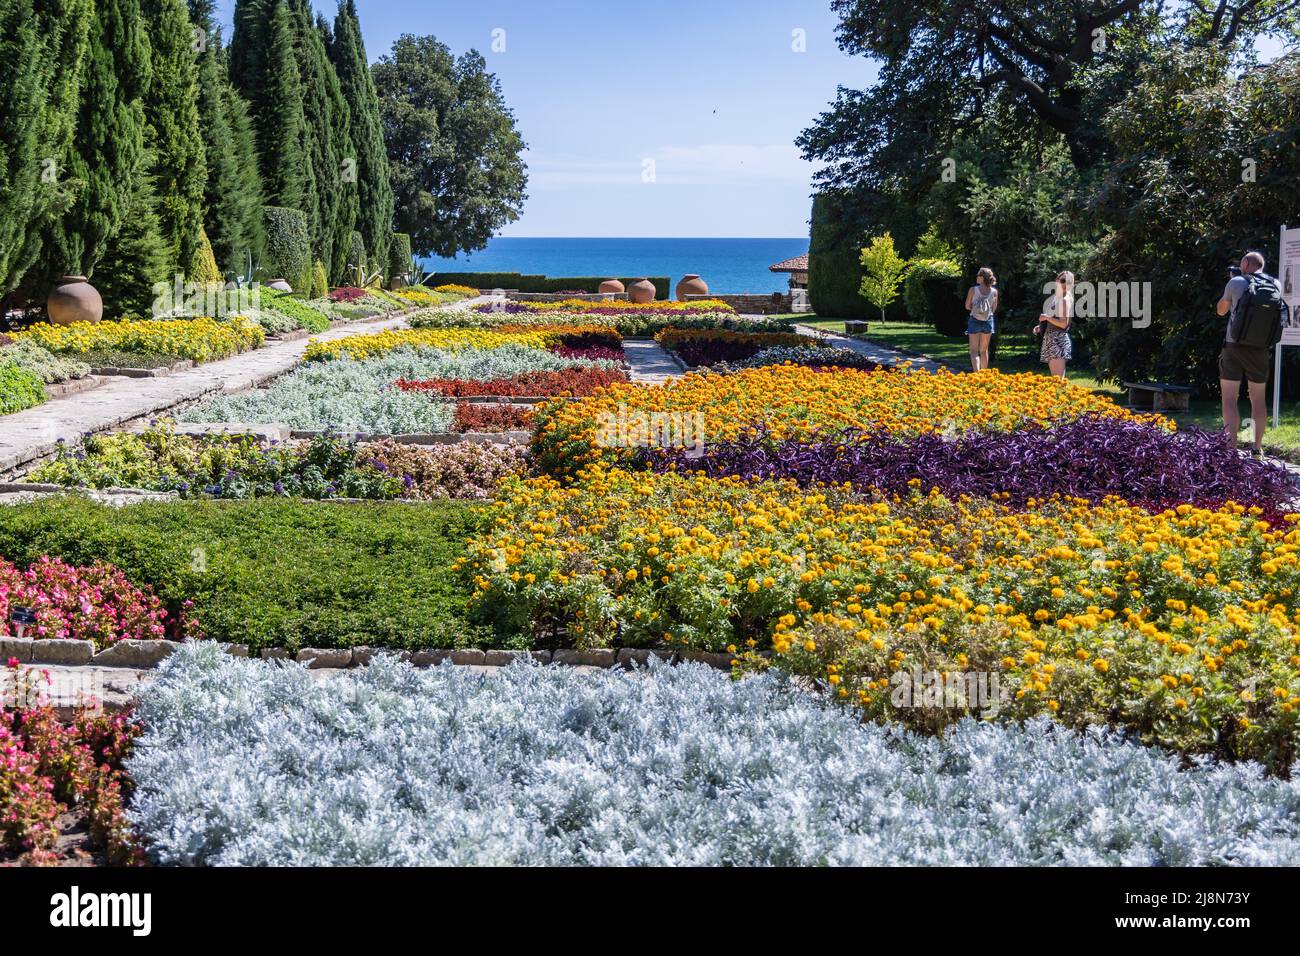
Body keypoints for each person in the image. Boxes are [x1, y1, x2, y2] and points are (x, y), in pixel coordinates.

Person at [1217, 250, 1275, 458]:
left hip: (1234, 346)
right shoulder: (1274, 284)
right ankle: (1256, 448)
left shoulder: (1237, 282)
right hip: (1260, 349)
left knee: (1230, 399)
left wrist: (1231, 285)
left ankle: (1231, 448)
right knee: (1258, 399)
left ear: (1244, 263)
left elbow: (1221, 310)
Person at [1034, 271, 1074, 378]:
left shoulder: (1064, 300)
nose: (1065, 284)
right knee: (1057, 380)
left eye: (1069, 282)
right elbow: (1056, 320)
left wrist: (1046, 317)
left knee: (1057, 381)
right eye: (1062, 281)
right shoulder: (1057, 298)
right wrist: (1042, 326)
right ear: (1057, 281)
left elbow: (1063, 324)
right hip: (1051, 338)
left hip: (1057, 339)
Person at [963, 267, 998, 371]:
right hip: (988, 321)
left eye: (978, 275)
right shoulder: (994, 291)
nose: (977, 277)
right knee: (984, 350)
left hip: (975, 320)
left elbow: (967, 306)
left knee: (974, 351)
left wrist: (975, 308)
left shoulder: (973, 290)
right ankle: (984, 375)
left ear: (982, 278)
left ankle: (976, 374)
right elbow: (993, 309)